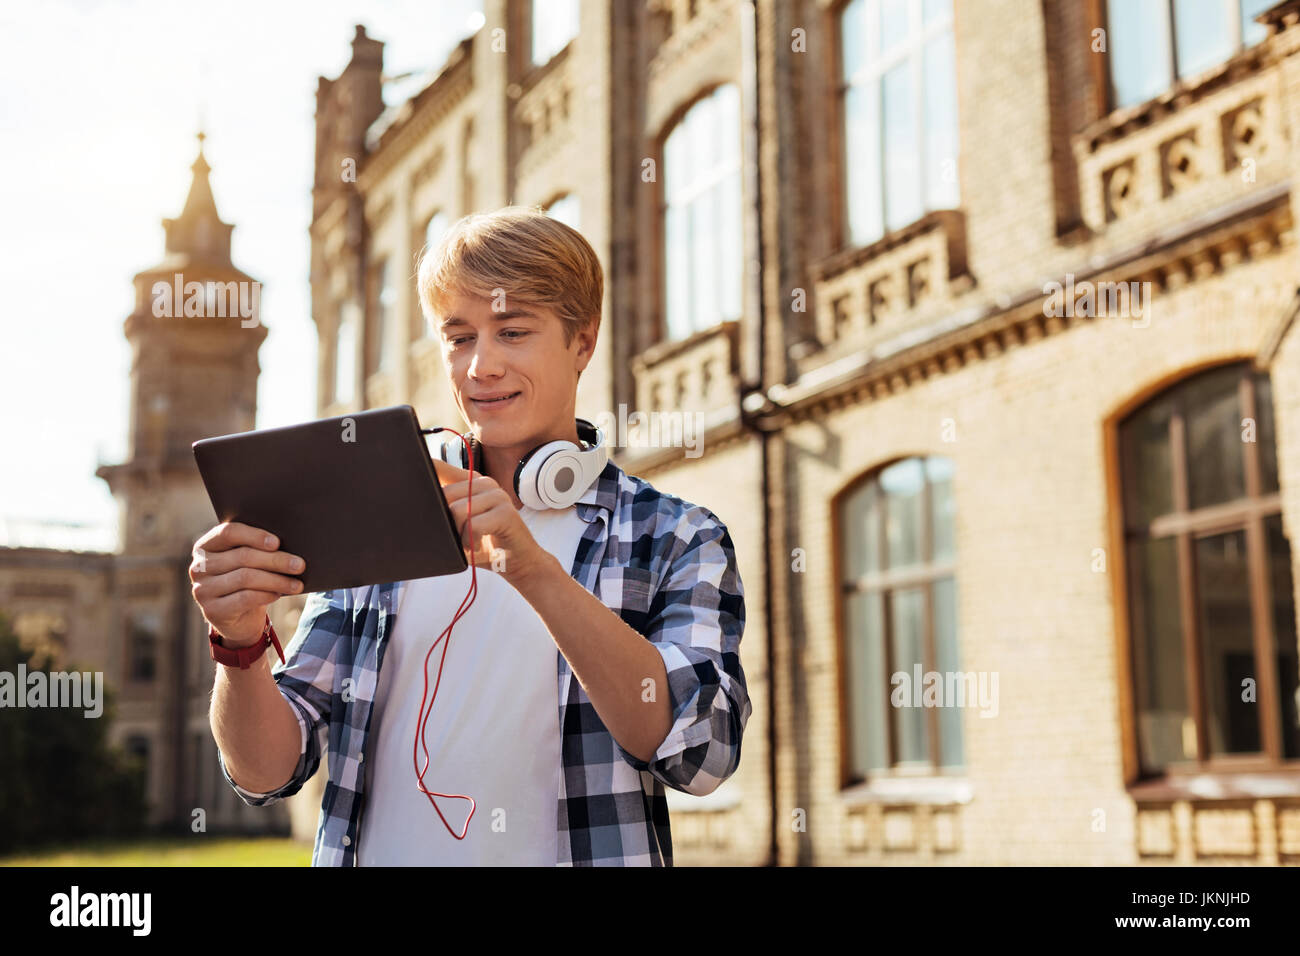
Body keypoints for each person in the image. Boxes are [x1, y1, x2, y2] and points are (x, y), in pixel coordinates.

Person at [191, 206, 750, 865]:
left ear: (583, 342)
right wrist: (240, 643)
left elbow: (701, 753)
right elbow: (267, 770)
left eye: (512, 331)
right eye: (459, 338)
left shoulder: (678, 535)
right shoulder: (374, 513)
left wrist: (534, 571)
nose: (480, 366)